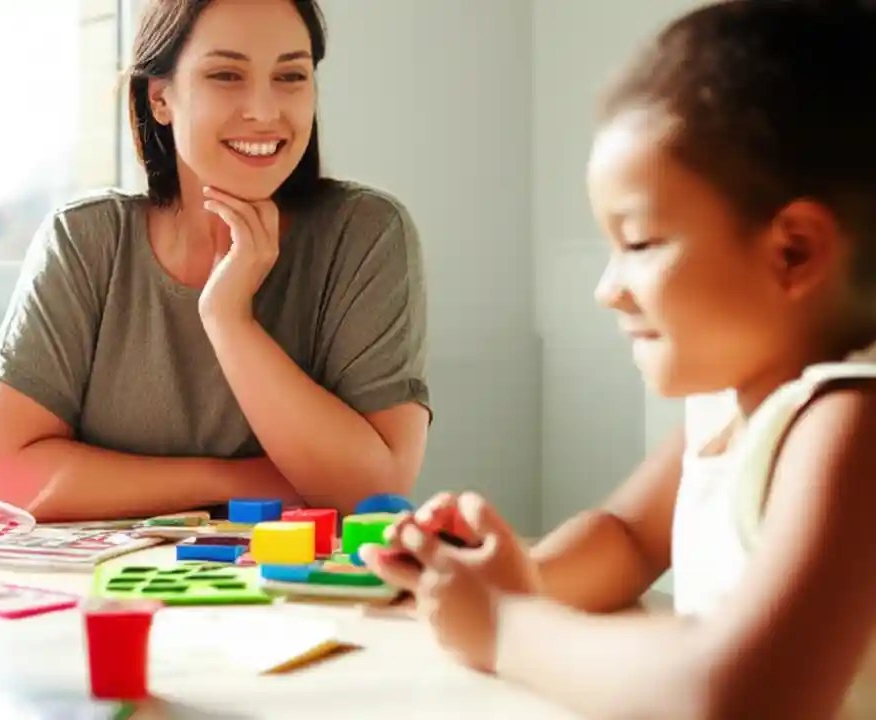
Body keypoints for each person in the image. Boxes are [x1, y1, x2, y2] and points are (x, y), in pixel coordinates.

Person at [363, 1, 876, 717]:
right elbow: (629, 538)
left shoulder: (850, 424)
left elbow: (737, 691)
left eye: (638, 243)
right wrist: (497, 582)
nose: (607, 290)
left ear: (793, 252)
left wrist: (509, 627)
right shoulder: (729, 407)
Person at [0, 0, 431, 522]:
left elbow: (372, 492)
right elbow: (9, 472)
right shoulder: (84, 241)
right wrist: (232, 481)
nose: (264, 109)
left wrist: (229, 320)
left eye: (291, 75)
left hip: (295, 594)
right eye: (226, 75)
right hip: (105, 593)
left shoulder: (364, 234)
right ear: (161, 97)